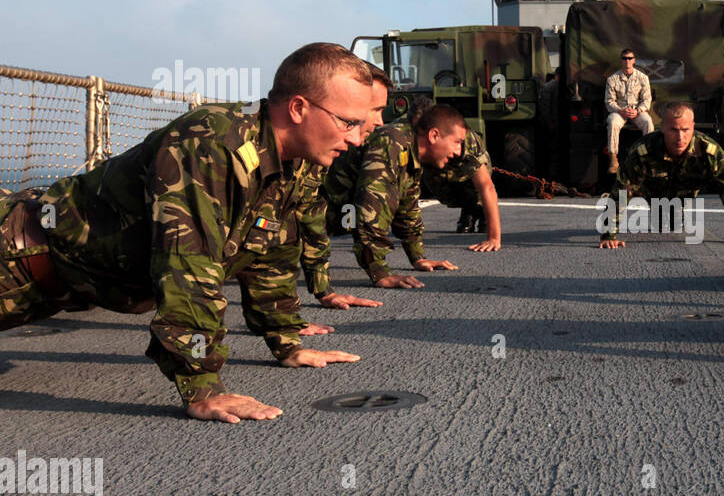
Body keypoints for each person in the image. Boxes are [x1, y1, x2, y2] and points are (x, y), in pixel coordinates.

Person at [0, 42, 375, 422]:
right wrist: (202, 387)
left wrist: (285, 341)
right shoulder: (211, 143)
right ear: (298, 108)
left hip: (57, 283)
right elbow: (188, 265)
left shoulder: (301, 162)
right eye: (348, 122)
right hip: (17, 258)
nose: (357, 138)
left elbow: (270, 250)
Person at [336, 101, 468, 289]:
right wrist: (379, 272)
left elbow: (408, 205)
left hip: (336, 214)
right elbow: (370, 205)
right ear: (434, 135)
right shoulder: (393, 141)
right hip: (315, 213)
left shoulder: (411, 147)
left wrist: (417, 258)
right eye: (457, 142)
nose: (458, 152)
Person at [297, 62, 392, 310]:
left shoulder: (315, 154)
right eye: (375, 109)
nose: (380, 121)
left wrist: (323, 292)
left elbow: (308, 220)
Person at [599, 101, 724, 249]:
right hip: (653, 191)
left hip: (684, 194)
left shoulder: (709, 151)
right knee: (657, 221)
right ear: (663, 128)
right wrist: (608, 235)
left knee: (668, 226)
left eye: (685, 130)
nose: (680, 137)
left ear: (693, 127)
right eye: (674, 130)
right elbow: (622, 190)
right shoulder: (643, 151)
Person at [419, 107, 503, 251]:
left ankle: (480, 208)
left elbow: (486, 187)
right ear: (433, 135)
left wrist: (494, 238)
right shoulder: (409, 136)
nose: (458, 148)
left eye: (459, 142)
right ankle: (469, 207)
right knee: (443, 193)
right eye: (456, 142)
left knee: (477, 189)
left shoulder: (467, 142)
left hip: (465, 167)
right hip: (438, 163)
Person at [605, 47, 653, 174]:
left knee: (648, 122)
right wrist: (621, 111)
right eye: (625, 58)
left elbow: (647, 99)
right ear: (621, 61)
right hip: (620, 111)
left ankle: (648, 157)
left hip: (636, 110)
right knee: (612, 122)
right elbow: (609, 101)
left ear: (634, 60)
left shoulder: (642, 78)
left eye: (630, 58)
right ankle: (613, 159)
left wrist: (638, 111)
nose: (627, 61)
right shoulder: (612, 79)